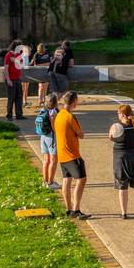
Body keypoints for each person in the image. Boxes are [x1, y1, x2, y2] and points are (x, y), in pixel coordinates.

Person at [108, 104, 134, 218]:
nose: (117, 115)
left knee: (122, 186)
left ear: (122, 114)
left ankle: (124, 213)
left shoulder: (116, 126)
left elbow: (111, 137)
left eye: (118, 113)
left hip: (121, 160)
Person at [54, 91, 89, 219]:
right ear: (74, 102)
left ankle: (68, 209)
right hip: (72, 155)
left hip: (62, 154)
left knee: (66, 180)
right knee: (82, 179)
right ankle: (76, 209)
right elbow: (81, 134)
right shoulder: (70, 116)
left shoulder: (59, 115)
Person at [35, 92, 60, 189]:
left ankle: (45, 181)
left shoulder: (43, 110)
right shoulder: (53, 112)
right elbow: (54, 127)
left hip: (43, 136)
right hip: (51, 137)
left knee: (46, 160)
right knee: (53, 160)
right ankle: (50, 182)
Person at [3, 39, 24, 121]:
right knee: (11, 98)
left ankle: (19, 115)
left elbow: (21, 65)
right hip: (11, 79)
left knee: (19, 97)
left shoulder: (18, 55)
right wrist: (8, 80)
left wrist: (15, 60)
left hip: (18, 79)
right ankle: (9, 116)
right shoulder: (8, 55)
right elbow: (6, 69)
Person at [18, 41, 33, 105]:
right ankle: (23, 101)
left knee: (25, 88)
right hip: (24, 74)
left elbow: (25, 65)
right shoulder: (24, 56)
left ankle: (24, 101)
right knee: (24, 88)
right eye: (29, 51)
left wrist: (31, 63)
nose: (30, 52)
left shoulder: (25, 56)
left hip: (24, 74)